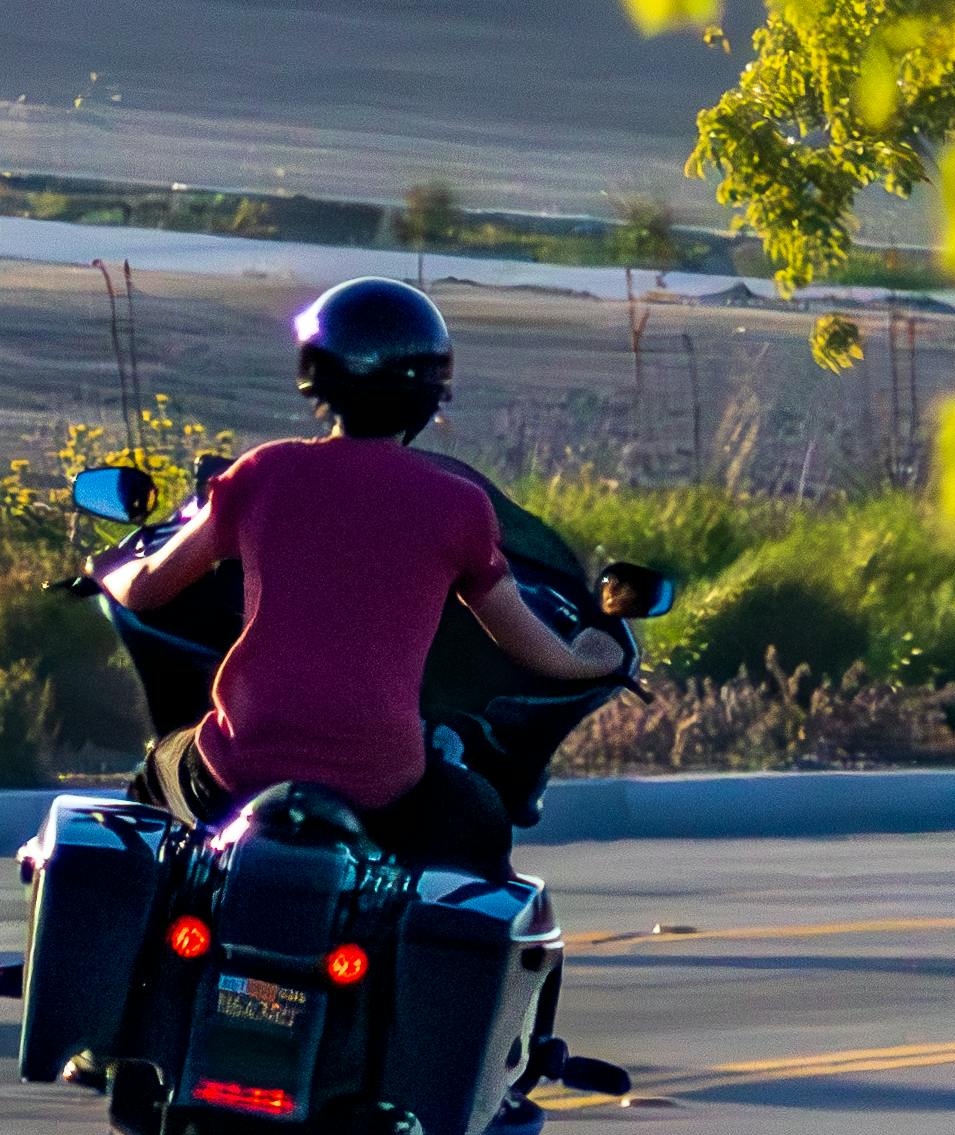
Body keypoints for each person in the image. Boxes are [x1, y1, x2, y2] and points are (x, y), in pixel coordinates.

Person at [97, 277, 625, 878]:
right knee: (479, 822)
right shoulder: (458, 508)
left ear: (315, 377)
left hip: (237, 767)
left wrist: (110, 567)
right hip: (381, 785)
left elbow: (147, 589)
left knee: (152, 789)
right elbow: (528, 644)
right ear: (433, 389)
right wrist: (591, 656)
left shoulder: (262, 474)